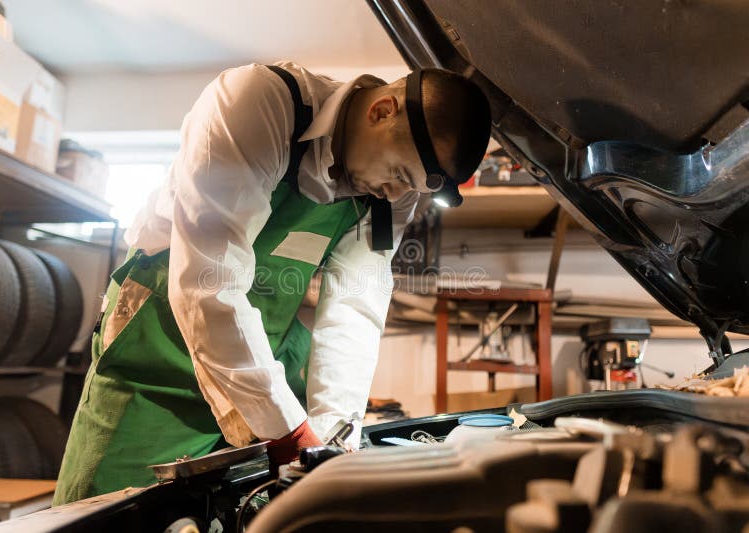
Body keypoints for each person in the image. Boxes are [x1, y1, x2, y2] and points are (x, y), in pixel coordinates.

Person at [53, 61, 490, 504]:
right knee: (108, 511)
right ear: (381, 111)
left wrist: (333, 438)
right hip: (160, 354)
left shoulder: (390, 193)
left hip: (266, 356)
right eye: (399, 175)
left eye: (411, 188)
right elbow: (209, 283)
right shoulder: (257, 104)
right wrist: (288, 431)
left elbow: (355, 307)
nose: (398, 196)